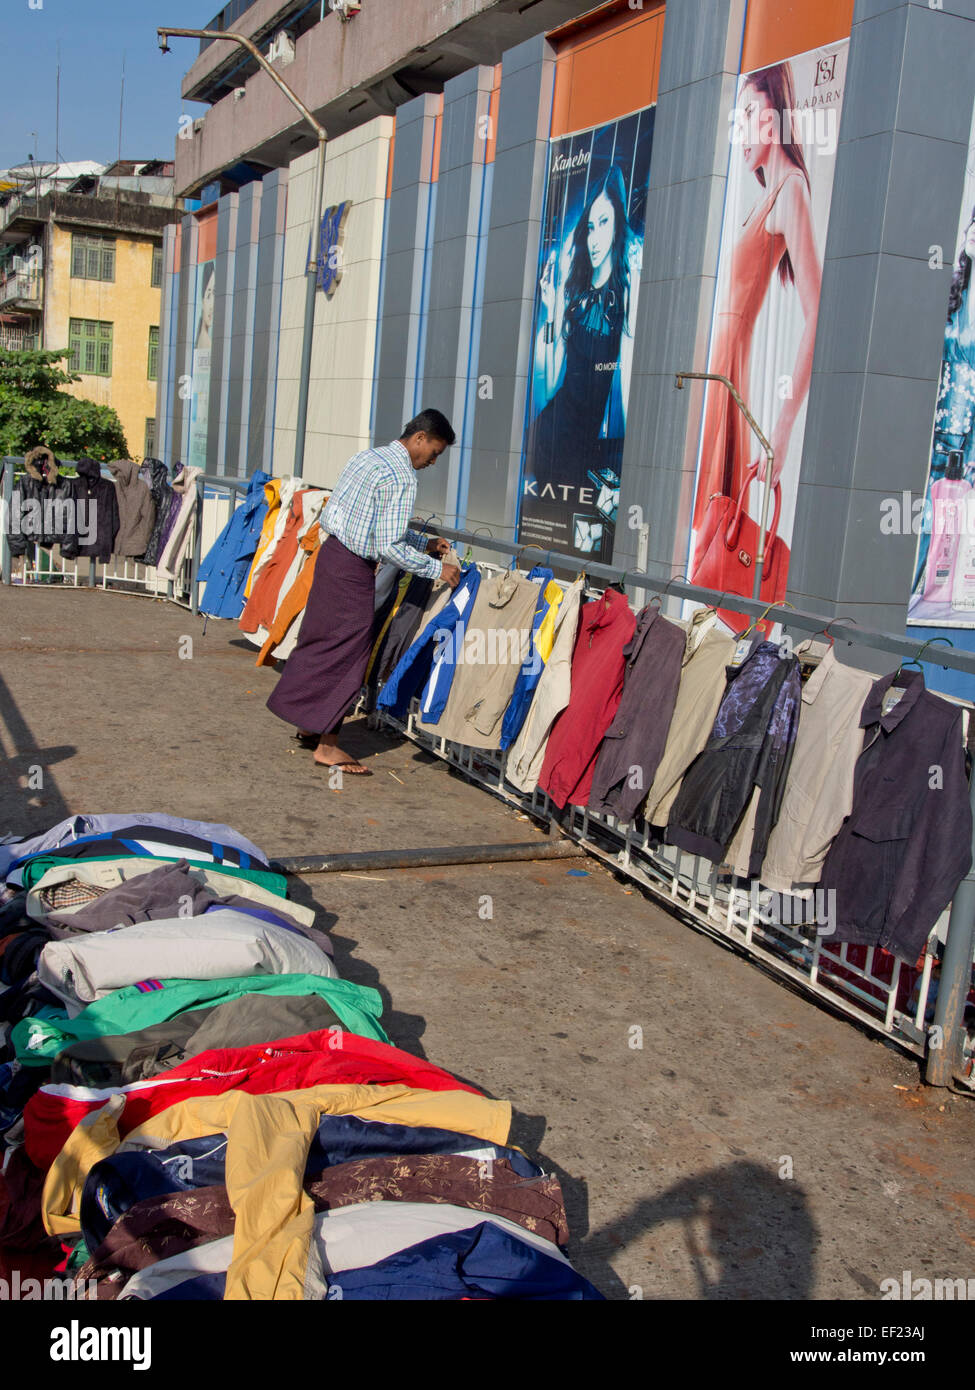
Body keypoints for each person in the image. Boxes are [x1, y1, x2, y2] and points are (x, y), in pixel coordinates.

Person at [266, 410, 460, 775]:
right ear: (419, 438)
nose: (433, 461)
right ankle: (328, 746)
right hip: (353, 570)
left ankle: (310, 722)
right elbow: (386, 545)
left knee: (321, 641)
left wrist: (423, 541)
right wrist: (438, 567)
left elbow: (364, 522)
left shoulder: (367, 457)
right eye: (434, 452)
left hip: (331, 557)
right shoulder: (402, 476)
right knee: (350, 655)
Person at [691, 60, 822, 545]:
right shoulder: (767, 193)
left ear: (775, 111)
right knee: (706, 532)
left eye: (749, 112)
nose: (742, 129)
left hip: (729, 376)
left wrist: (781, 435)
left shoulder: (790, 191)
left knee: (713, 534)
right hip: (717, 375)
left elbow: (818, 315)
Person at [525, 165, 642, 494]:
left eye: (604, 223)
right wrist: (551, 311)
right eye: (590, 226)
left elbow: (629, 369)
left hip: (588, 441)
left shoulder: (626, 289)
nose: (594, 237)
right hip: (555, 428)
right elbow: (549, 383)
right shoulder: (575, 289)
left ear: (619, 224)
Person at [912, 205, 975, 593]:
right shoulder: (952, 291)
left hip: (966, 438)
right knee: (929, 520)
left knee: (956, 526)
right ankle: (914, 594)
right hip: (941, 425)